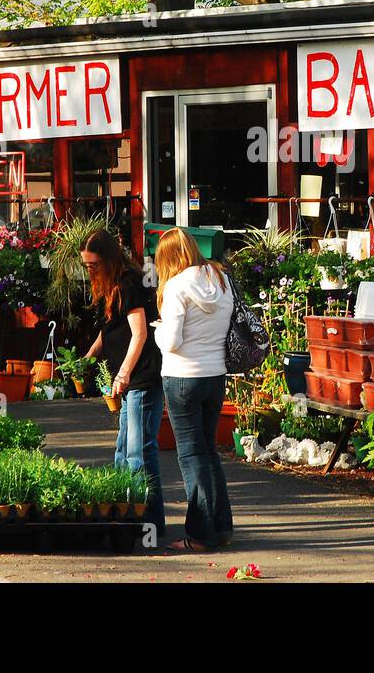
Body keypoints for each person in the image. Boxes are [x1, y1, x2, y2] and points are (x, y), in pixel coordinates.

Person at [152, 228, 235, 551]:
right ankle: (221, 526)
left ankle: (200, 534)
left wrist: (157, 330)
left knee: (190, 455)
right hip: (215, 376)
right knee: (209, 451)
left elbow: (171, 342)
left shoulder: (175, 286)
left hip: (182, 377)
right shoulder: (221, 281)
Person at [82, 229, 165, 534]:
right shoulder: (111, 285)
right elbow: (110, 329)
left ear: (108, 259)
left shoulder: (130, 283)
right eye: (86, 265)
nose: (89, 270)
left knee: (139, 452)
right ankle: (124, 515)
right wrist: (88, 357)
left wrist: (124, 373)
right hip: (129, 379)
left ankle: (149, 525)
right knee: (122, 452)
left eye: (93, 265)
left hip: (141, 376)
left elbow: (140, 333)